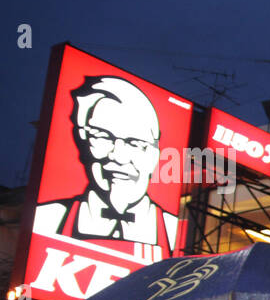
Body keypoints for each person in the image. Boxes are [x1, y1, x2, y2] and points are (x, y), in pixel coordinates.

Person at [33, 75, 180, 254]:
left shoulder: (175, 232)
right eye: (103, 137)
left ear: (154, 156)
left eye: (135, 143)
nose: (118, 156)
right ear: (84, 144)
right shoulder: (47, 219)